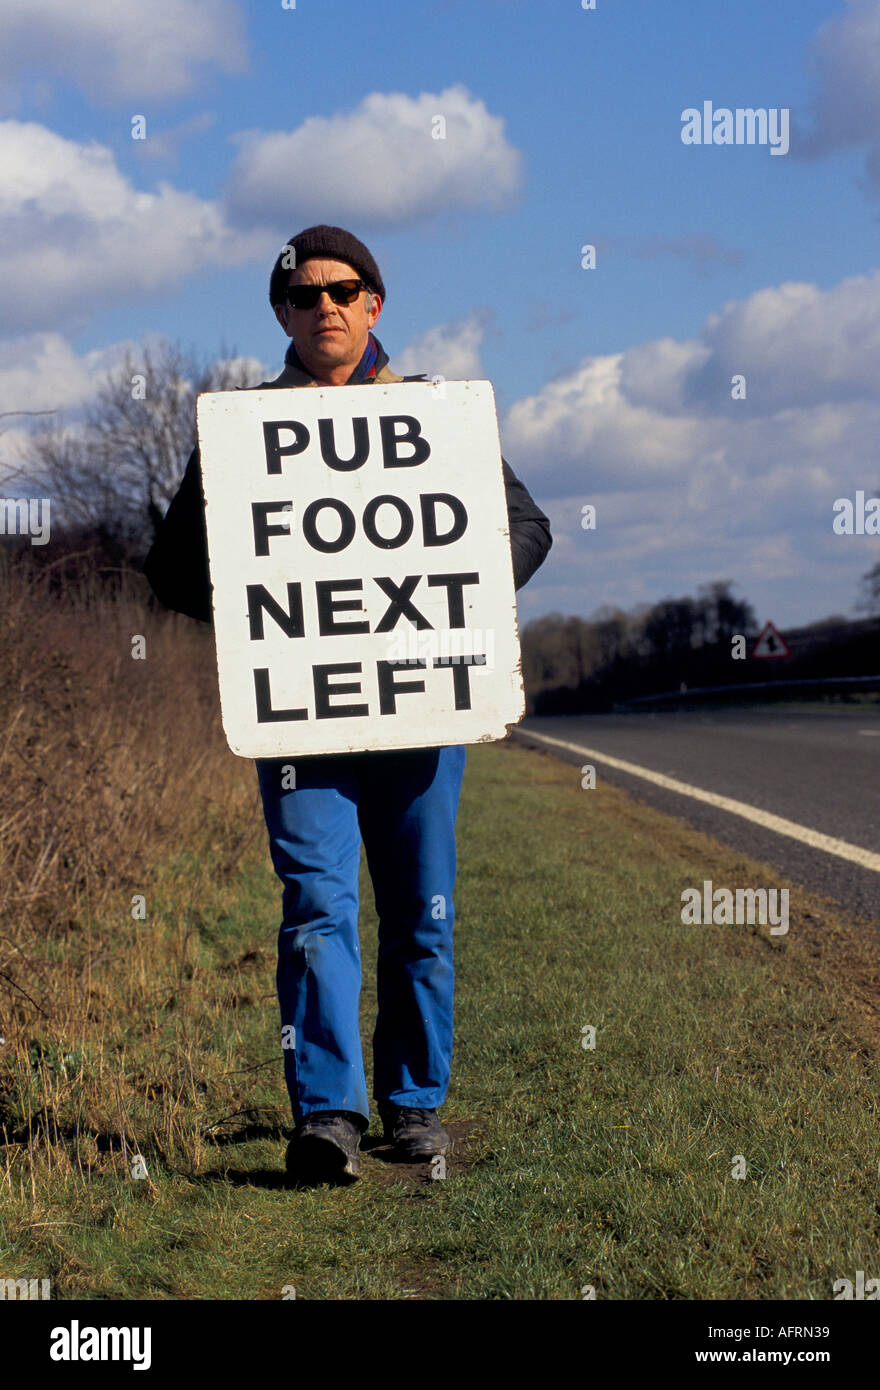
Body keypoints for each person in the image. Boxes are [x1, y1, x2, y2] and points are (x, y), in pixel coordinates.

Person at [144, 225, 552, 1185]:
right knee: (316, 905)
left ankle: (414, 1110)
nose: (324, 305)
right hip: (300, 717)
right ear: (282, 315)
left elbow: (525, 528)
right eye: (304, 294)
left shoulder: (431, 417)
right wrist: (262, 618)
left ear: (375, 304)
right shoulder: (241, 433)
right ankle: (327, 1116)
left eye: (344, 288)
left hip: (420, 704)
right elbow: (168, 568)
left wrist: (464, 601)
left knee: (421, 911)